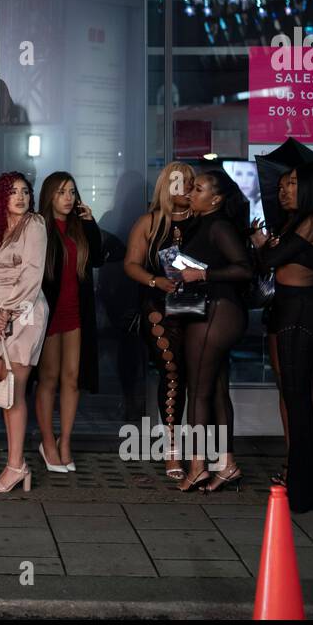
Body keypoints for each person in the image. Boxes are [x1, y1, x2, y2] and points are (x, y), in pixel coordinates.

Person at [253, 162, 313, 511]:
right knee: (290, 390)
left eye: (292, 183)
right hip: (285, 306)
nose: (283, 189)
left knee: (298, 392)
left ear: (312, 188)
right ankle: (297, 466)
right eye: (283, 184)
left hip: (303, 309)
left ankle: (303, 479)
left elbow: (272, 258)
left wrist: (262, 245)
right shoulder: (293, 221)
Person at [177, 170, 253, 493]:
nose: (191, 192)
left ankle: (197, 467)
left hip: (217, 313)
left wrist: (203, 274)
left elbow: (245, 268)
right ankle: (227, 464)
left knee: (198, 391)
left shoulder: (219, 225)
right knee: (218, 390)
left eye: (198, 189)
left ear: (217, 199)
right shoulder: (206, 224)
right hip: (220, 313)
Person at [123, 163, 195, 479]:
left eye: (192, 182)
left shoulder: (203, 222)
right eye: (181, 182)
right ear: (167, 186)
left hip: (197, 307)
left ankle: (203, 450)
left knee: (200, 378)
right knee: (172, 372)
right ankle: (171, 449)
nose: (188, 187)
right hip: (159, 307)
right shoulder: (149, 222)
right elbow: (131, 264)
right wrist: (155, 281)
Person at [0, 172, 49, 493]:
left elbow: (32, 275)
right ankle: (16, 463)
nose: (21, 197)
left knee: (15, 390)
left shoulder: (34, 224)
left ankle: (15, 465)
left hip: (27, 312)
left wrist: (7, 311)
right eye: (13, 192)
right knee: (5, 389)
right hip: (0, 316)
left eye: (25, 191)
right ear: (0, 197)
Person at [35, 171, 103, 474]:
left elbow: (98, 258)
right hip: (48, 314)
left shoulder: (79, 227)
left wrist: (90, 223)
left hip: (76, 312)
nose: (68, 198)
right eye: (62, 192)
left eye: (72, 192)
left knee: (72, 379)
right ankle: (47, 442)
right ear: (49, 195)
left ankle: (65, 442)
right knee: (48, 378)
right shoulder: (38, 227)